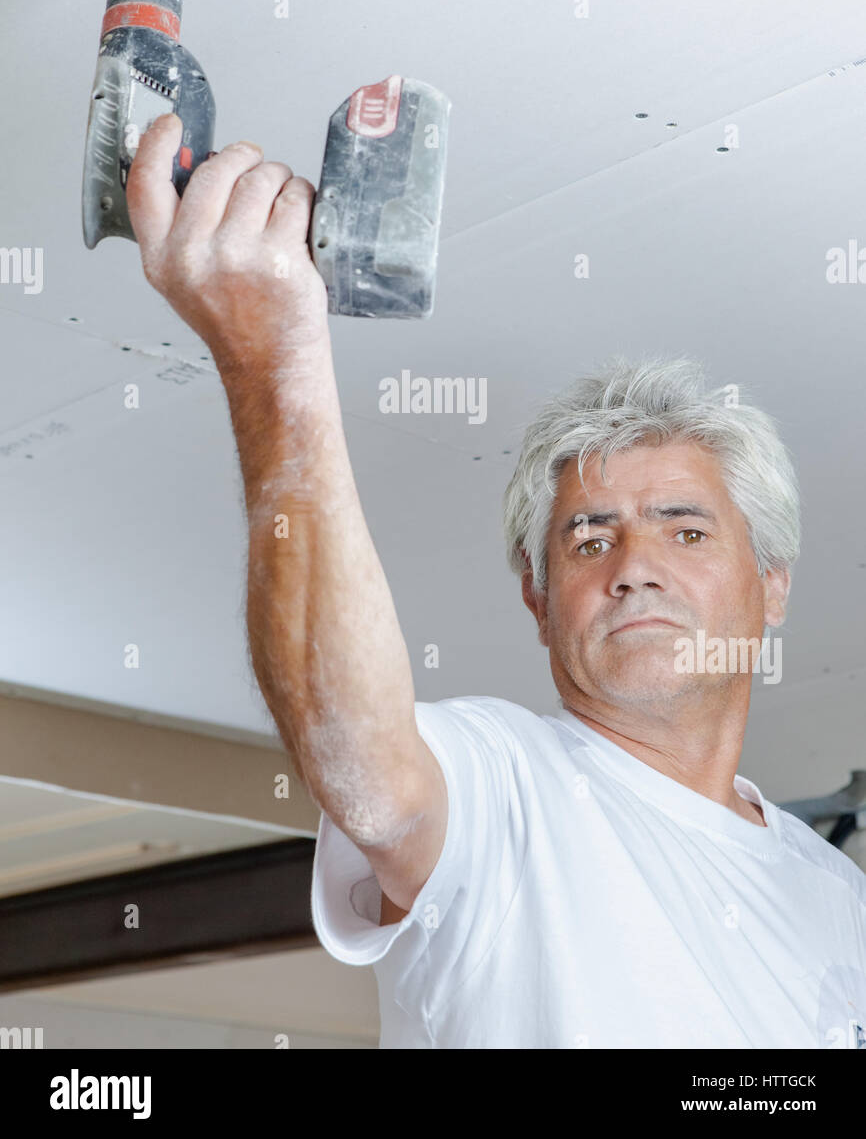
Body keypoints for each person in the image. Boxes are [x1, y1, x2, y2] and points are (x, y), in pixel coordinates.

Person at [127, 113, 866, 1050]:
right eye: (590, 542)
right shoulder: (506, 786)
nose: (635, 568)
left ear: (772, 584)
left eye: (685, 530)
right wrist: (272, 360)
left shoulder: (838, 896)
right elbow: (371, 770)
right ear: (538, 600)